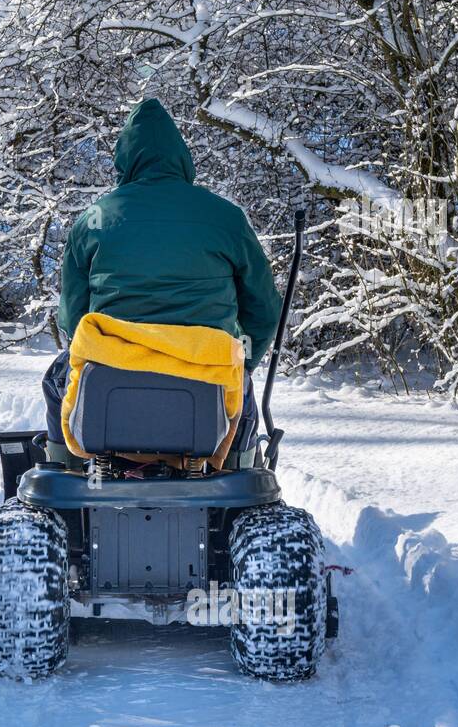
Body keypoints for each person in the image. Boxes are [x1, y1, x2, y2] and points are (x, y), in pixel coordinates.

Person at [44, 98, 282, 469]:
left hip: (112, 365)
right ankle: (235, 481)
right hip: (205, 366)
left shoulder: (94, 219)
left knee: (55, 379)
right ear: (183, 159)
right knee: (244, 395)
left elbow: (72, 316)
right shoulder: (226, 218)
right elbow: (265, 310)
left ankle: (67, 476)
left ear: (124, 161)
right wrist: (243, 360)